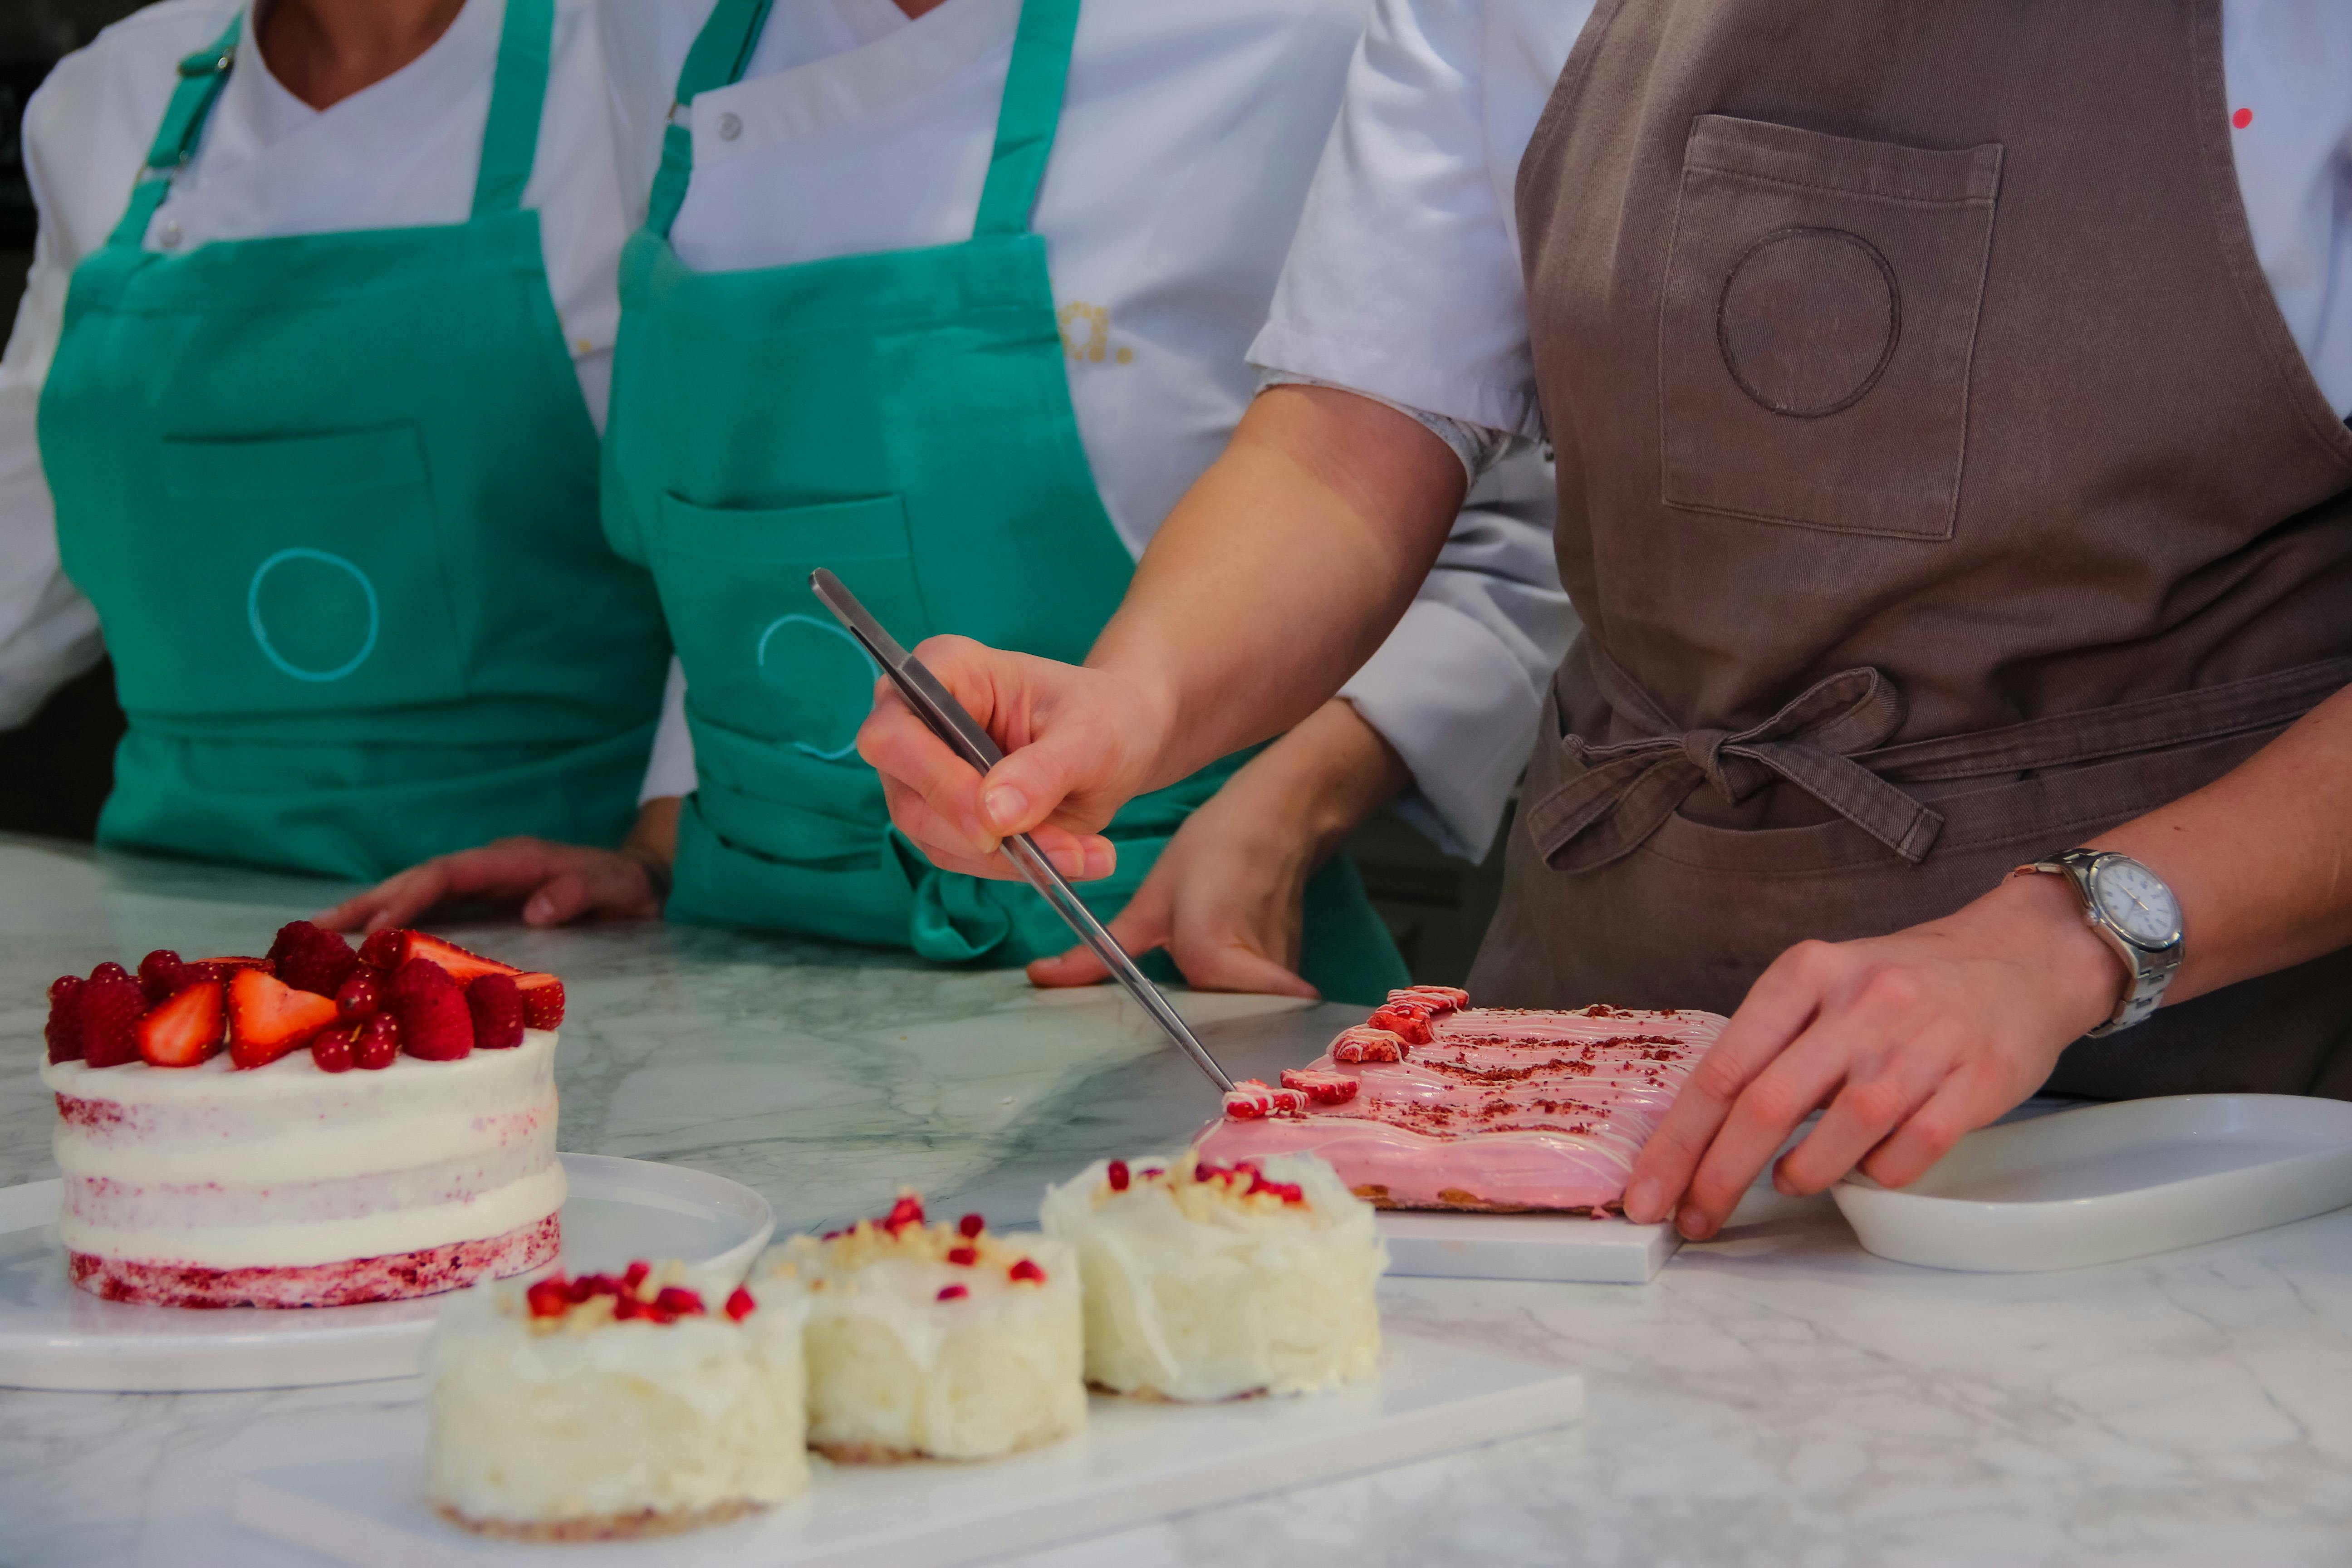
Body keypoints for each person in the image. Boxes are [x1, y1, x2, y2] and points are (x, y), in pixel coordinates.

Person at [859, 0, 2352, 1233]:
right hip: (1585, 1084)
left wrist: (2073, 934)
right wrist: (1137, 698)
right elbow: (1353, 435)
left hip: (2171, 1112)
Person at [323, 0, 1570, 1005]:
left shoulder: (1308, 34)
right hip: (733, 983)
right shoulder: (652, 29)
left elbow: (1504, 529)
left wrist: (1282, 813)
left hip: (1146, 966)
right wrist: (657, 842)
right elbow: (742, 525)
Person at [0, 0, 670, 882]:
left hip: (549, 943)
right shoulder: (110, 96)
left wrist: (660, 851)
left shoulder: (650, 64)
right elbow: (28, 541)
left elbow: (758, 548)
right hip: (174, 930)